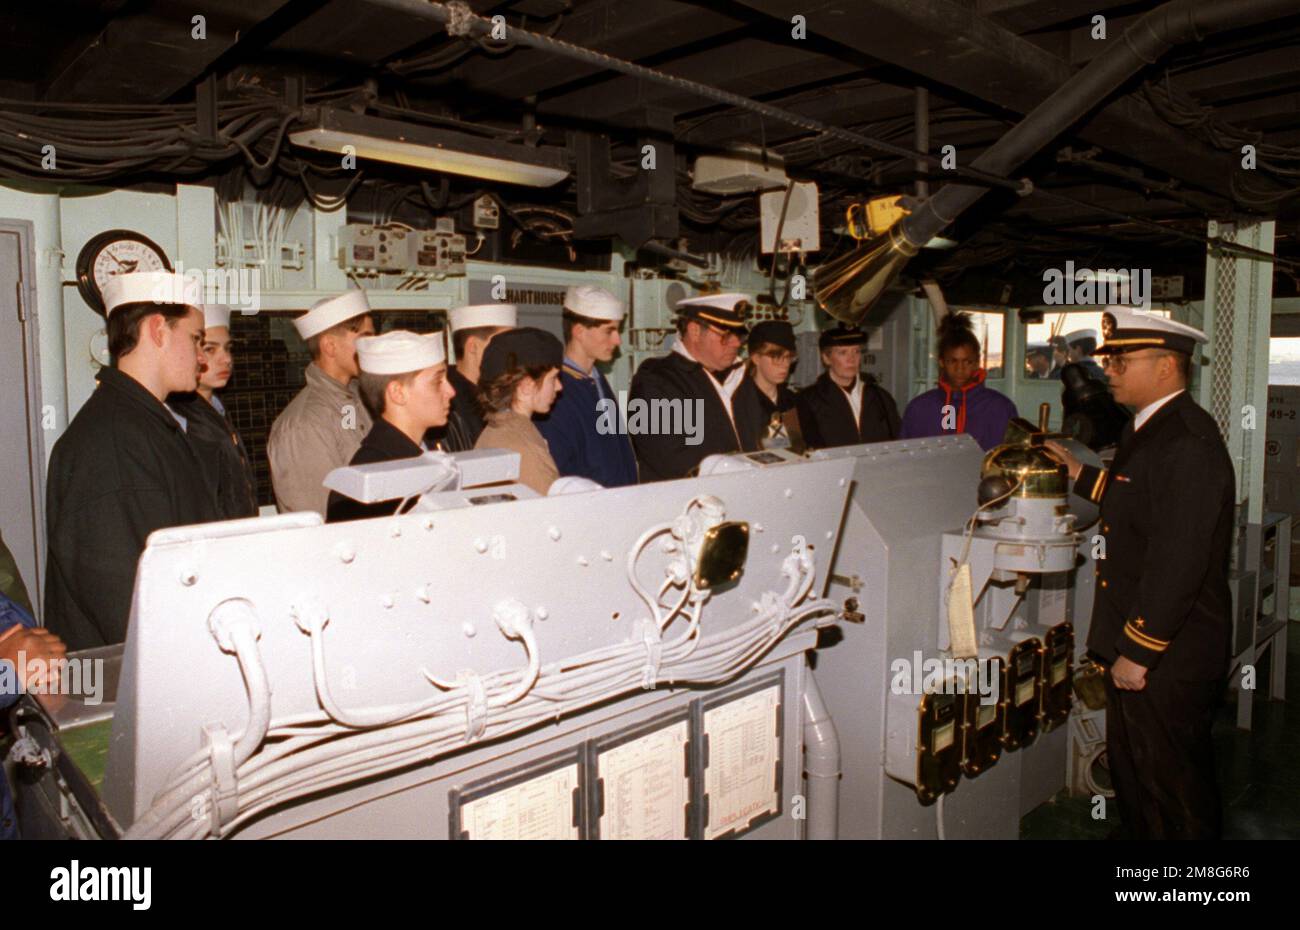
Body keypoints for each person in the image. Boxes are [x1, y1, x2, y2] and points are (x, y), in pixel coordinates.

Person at [1044, 307, 1231, 840]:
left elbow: (1180, 558)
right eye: (1111, 358)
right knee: (1137, 778)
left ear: (1167, 367)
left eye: (1122, 359)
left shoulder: (1187, 443)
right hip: (1144, 648)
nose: (1110, 369)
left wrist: (1139, 650)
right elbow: (1137, 500)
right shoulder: (1149, 429)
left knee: (1173, 787)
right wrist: (1082, 475)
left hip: (1167, 653)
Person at [45, 271, 219, 649]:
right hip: (125, 691)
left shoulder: (143, 425)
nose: (202, 357)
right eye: (196, 339)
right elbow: (126, 605)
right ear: (158, 330)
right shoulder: (111, 442)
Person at [629, 293, 761, 481]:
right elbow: (670, 461)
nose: (736, 343)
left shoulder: (741, 377)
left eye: (739, 334)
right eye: (726, 335)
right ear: (695, 331)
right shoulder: (657, 380)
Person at [326, 331, 456, 522]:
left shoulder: (434, 451)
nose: (451, 391)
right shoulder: (366, 480)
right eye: (437, 381)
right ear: (397, 393)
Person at [267, 290, 375, 515]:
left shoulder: (355, 400)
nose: (371, 348)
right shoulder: (303, 424)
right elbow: (321, 514)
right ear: (330, 346)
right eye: (365, 339)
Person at [536, 286, 638, 487]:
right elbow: (564, 469)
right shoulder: (558, 392)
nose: (617, 340)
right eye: (609, 331)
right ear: (580, 332)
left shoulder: (597, 379)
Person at [169, 304, 258, 519]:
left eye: (228, 348)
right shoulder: (181, 418)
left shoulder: (217, 409)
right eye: (210, 349)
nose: (226, 359)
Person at [900, 311, 1018, 451]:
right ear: (941, 362)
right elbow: (905, 458)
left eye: (967, 362)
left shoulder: (1000, 408)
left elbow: (1011, 459)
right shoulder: (919, 408)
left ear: (976, 362)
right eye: (952, 361)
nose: (960, 369)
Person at [474, 328, 565, 495]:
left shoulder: (495, 429)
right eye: (553, 378)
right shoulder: (524, 447)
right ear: (526, 387)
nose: (559, 386)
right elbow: (552, 513)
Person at [428, 303, 517, 452]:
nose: (512, 355)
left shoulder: (501, 394)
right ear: (473, 347)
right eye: (503, 345)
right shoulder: (448, 408)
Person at [795, 326, 900, 450]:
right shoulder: (808, 401)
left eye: (856, 351)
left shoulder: (880, 397)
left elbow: (896, 442)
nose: (852, 359)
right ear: (826, 358)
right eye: (843, 352)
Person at [734, 320, 801, 450]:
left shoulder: (792, 401)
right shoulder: (738, 402)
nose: (785, 364)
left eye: (788, 357)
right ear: (756, 358)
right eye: (776, 357)